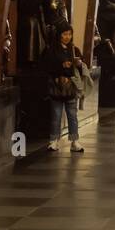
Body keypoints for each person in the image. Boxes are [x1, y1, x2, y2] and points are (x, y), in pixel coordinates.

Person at [44, 22, 87, 153]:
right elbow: (47, 66)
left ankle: (75, 141)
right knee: (56, 115)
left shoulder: (74, 50)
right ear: (59, 35)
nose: (67, 37)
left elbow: (79, 67)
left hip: (70, 87)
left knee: (72, 115)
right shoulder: (51, 50)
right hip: (57, 87)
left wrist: (78, 63)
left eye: (69, 34)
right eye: (64, 34)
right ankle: (53, 141)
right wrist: (62, 66)